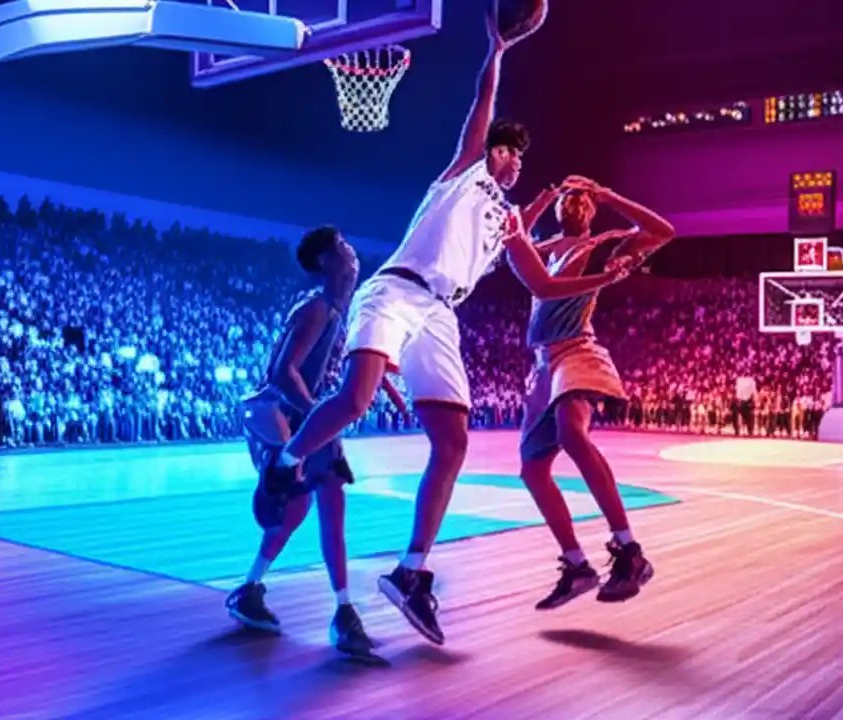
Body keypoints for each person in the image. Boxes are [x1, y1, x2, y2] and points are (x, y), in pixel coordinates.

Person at [253, 11, 627, 645]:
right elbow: (483, 104)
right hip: (398, 289)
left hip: (440, 317)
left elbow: (538, 280)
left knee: (453, 442)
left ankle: (412, 573)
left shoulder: (508, 222)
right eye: (502, 148)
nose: (508, 157)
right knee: (356, 397)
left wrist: (597, 275)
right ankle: (286, 464)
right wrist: (498, 48)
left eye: (515, 153)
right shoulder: (462, 176)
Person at [226, 225, 406, 658]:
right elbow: (283, 373)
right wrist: (316, 421)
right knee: (320, 507)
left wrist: (384, 386)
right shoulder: (318, 308)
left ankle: (255, 590)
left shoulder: (339, 311)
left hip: (305, 419)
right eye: (344, 246)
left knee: (314, 507)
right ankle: (341, 613)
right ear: (326, 260)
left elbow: (334, 373)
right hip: (290, 417)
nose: (353, 252)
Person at [515, 175, 676, 610]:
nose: (576, 201)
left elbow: (663, 231)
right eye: (569, 196)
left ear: (594, 208)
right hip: (543, 366)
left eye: (585, 197)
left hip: (578, 353)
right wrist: (540, 197)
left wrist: (610, 195)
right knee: (532, 471)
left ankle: (629, 550)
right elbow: (506, 241)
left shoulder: (603, 244)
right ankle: (576, 565)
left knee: (572, 432)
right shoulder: (543, 250)